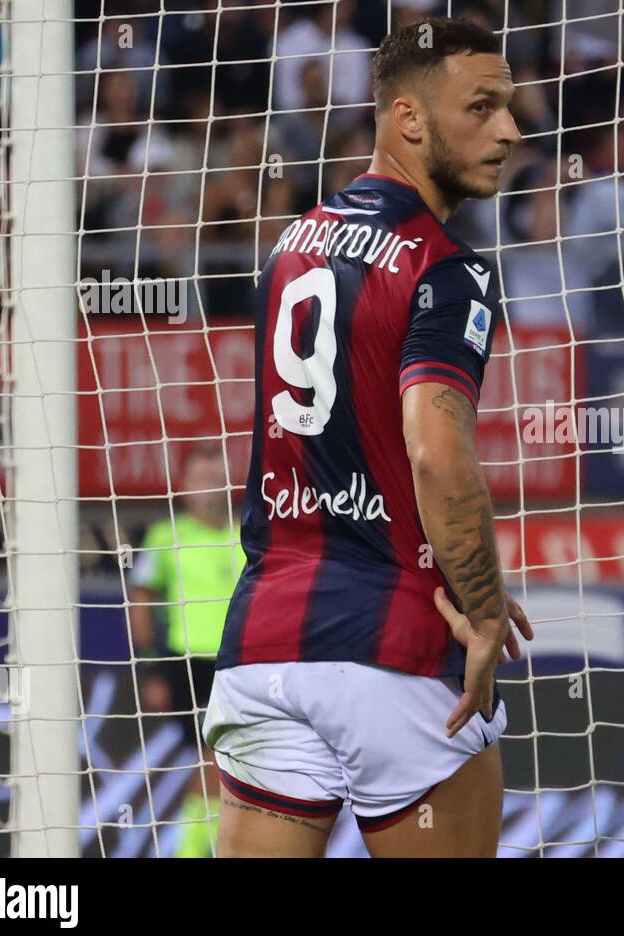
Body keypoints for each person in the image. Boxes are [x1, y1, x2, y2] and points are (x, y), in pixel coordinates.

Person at [202, 15, 534, 858]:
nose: (510, 130)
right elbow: (434, 450)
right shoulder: (446, 268)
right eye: (484, 107)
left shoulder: (289, 245)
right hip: (394, 645)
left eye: (510, 108)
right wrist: (485, 611)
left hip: (265, 649)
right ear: (407, 119)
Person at [129, 444, 245, 857]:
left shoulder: (246, 535)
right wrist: (150, 670)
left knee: (231, 765)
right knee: (212, 763)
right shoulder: (166, 536)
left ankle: (204, 845)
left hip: (244, 664)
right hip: (190, 665)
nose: (211, 489)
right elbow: (140, 599)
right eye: (202, 480)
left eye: (217, 480)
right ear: (184, 488)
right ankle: (194, 850)